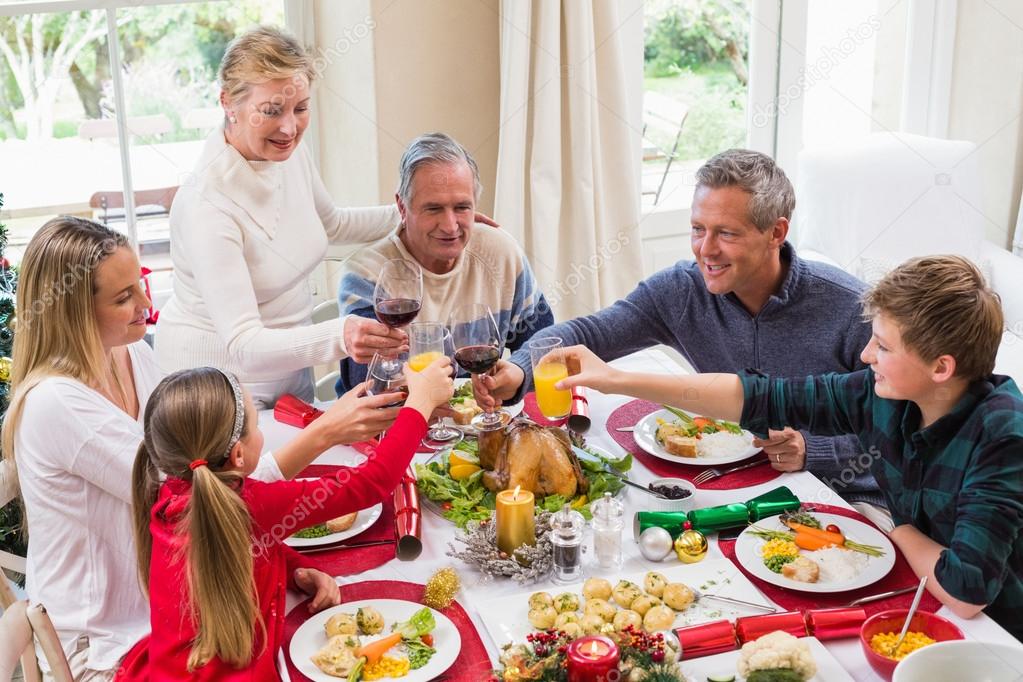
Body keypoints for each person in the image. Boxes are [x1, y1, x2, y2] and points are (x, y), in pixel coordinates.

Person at [1, 217, 401, 680]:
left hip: (177, 608)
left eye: (140, 285)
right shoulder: (55, 404)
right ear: (72, 313)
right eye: (123, 297)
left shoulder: (132, 353)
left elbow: (207, 483)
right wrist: (323, 433)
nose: (145, 304)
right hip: (111, 644)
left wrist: (289, 563)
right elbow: (209, 494)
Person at [549, 255, 1023, 639]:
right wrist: (616, 379)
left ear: (941, 368)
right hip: (926, 590)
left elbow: (967, 591)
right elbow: (758, 396)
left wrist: (898, 530)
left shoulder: (1003, 436)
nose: (866, 356)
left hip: (999, 634)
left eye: (883, 346)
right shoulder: (883, 395)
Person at [477, 148, 884, 515]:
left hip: (845, 497)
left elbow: (903, 427)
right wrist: (520, 368)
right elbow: (591, 331)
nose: (706, 249)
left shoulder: (852, 307)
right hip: (733, 484)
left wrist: (815, 449)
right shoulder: (683, 289)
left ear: (776, 233)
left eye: (726, 233)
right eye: (698, 229)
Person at [153, 28, 494, 407]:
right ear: (228, 103)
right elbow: (244, 344)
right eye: (271, 111)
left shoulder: (286, 153)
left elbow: (332, 225)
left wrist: (421, 215)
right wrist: (341, 334)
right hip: (212, 395)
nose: (289, 128)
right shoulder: (206, 206)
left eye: (300, 108)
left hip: (288, 381)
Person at [116, 359, 453, 679]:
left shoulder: (173, 492)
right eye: (256, 426)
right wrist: (420, 404)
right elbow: (373, 481)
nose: (260, 433)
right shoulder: (252, 504)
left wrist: (296, 570)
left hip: (172, 668)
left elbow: (243, 548)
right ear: (238, 455)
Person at [335, 132, 553, 393]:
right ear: (402, 207)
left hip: (478, 412)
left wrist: (516, 372)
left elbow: (544, 346)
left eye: (462, 207)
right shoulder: (367, 273)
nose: (450, 226)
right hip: (393, 417)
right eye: (433, 209)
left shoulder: (501, 253)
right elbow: (371, 386)